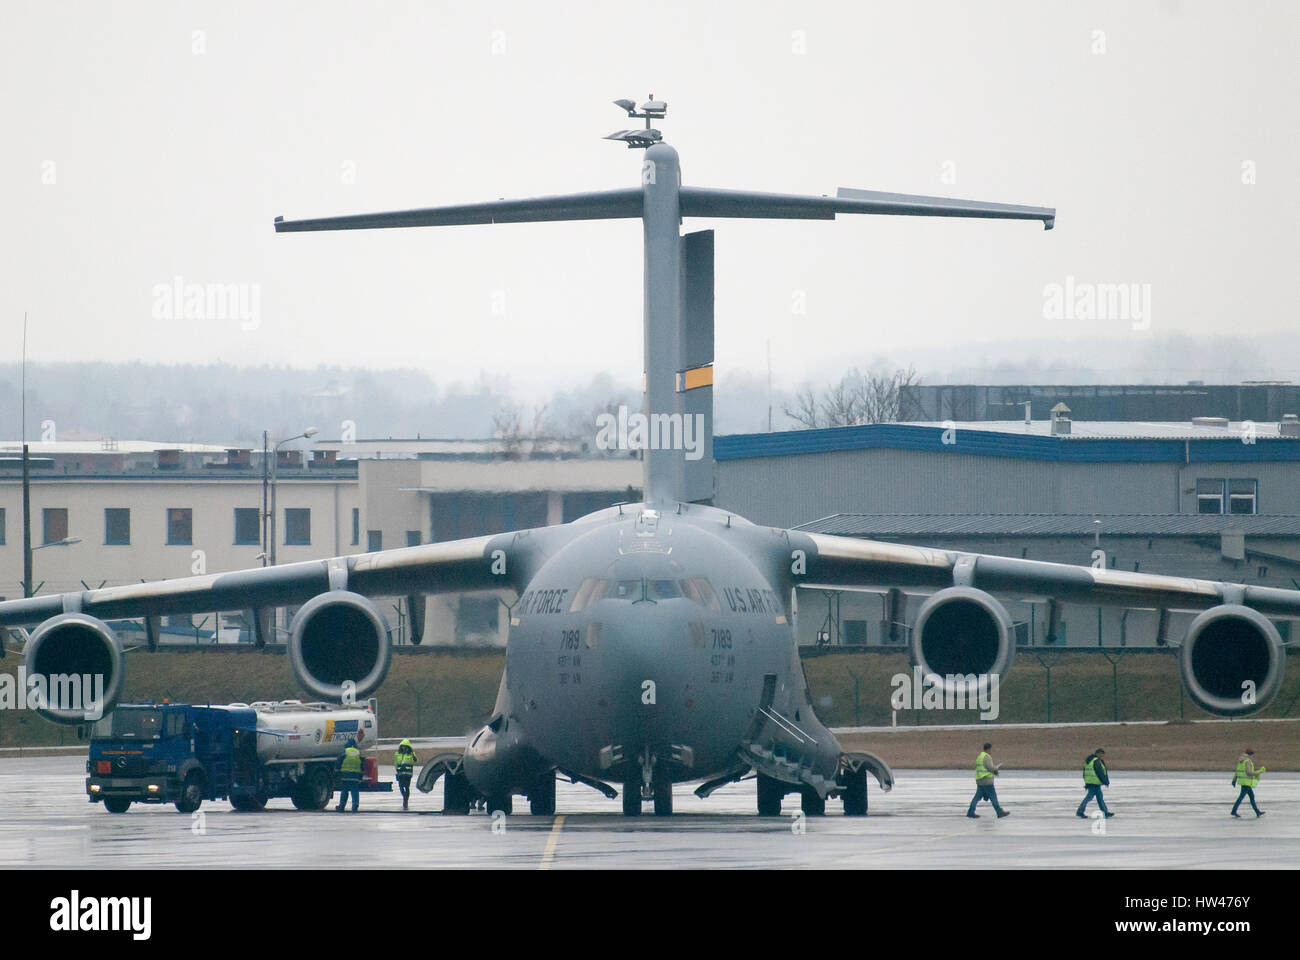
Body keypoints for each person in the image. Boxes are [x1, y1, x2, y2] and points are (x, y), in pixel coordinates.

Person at [967, 742, 1010, 819]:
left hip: (980, 780)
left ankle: (970, 812)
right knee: (993, 797)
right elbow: (990, 768)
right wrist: (996, 770)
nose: (991, 751)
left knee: (976, 798)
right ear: (988, 749)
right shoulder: (986, 757)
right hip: (986, 781)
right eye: (990, 749)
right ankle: (999, 812)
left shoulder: (980, 756)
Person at [1076, 748, 1113, 819]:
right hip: (1094, 783)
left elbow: (1084, 772)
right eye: (1101, 755)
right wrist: (1105, 781)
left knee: (1100, 798)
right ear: (1098, 754)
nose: (1102, 757)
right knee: (1089, 798)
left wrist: (1087, 782)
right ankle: (1080, 812)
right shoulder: (1096, 761)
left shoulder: (1089, 761)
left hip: (1091, 782)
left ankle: (1105, 812)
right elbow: (1100, 773)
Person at [1231, 748, 1266, 818]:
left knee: (1251, 796)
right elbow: (1249, 773)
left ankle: (1257, 812)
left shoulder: (1241, 761)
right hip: (1246, 783)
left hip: (1243, 782)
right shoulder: (1247, 761)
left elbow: (1237, 771)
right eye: (1252, 754)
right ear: (1250, 754)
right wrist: (1260, 771)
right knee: (1241, 797)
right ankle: (1233, 811)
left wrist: (1234, 780)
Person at [336, 738, 363, 813]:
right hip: (355, 775)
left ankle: (342, 806)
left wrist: (337, 771)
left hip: (345, 775)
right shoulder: (358, 752)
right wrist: (361, 775)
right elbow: (362, 764)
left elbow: (339, 761)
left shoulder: (345, 751)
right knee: (354, 791)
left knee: (344, 791)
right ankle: (355, 806)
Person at [394, 738, 419, 811]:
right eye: (402, 746)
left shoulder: (411, 754)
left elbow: (416, 761)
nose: (403, 747)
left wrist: (413, 755)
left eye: (405, 746)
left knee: (407, 787)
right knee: (401, 787)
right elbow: (395, 763)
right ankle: (405, 798)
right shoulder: (397, 754)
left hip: (408, 773)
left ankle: (405, 801)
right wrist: (397, 771)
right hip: (400, 773)